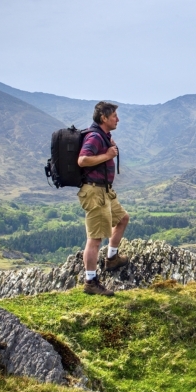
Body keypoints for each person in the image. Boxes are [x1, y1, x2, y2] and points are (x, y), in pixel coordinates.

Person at [77, 101, 130, 295]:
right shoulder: (94, 137)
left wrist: (110, 148)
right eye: (114, 116)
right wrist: (107, 155)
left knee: (123, 218)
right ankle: (90, 281)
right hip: (94, 192)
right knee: (95, 239)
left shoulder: (104, 136)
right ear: (104, 118)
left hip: (105, 190)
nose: (118, 119)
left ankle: (112, 258)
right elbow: (82, 160)